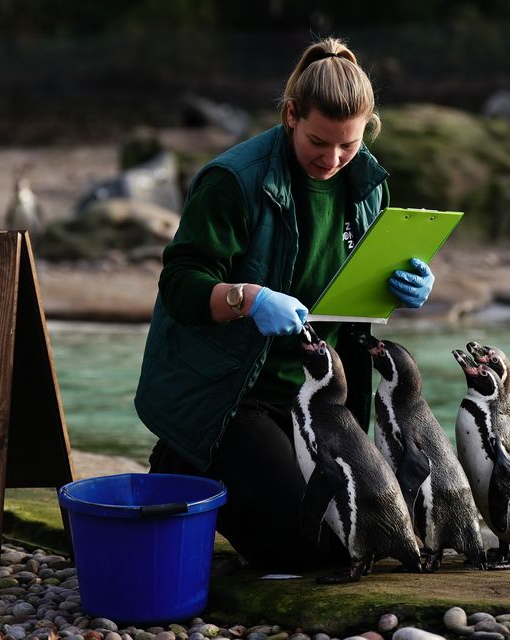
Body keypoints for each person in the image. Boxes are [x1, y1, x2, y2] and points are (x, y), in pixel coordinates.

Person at [134, 37, 435, 571]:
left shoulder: (367, 185)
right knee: (313, 551)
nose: (334, 159)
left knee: (368, 539)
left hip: (318, 401)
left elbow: (355, 296)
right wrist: (246, 298)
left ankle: (227, 474)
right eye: (320, 142)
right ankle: (186, 456)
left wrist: (398, 288)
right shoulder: (232, 181)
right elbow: (180, 284)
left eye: (350, 145)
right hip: (230, 396)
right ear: (291, 115)